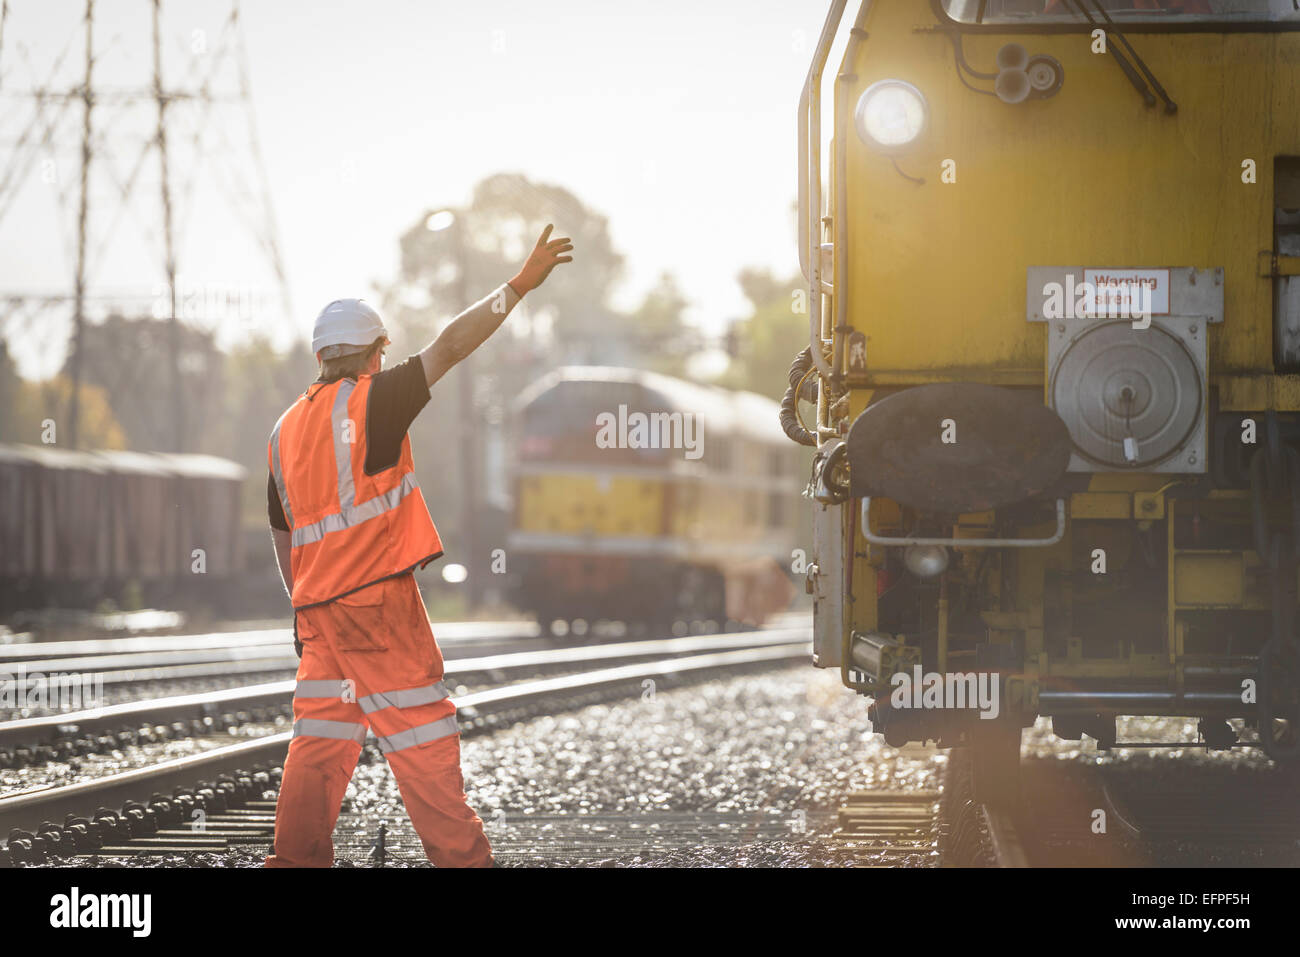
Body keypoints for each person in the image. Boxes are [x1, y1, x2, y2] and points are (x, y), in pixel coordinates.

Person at [263, 225, 573, 868]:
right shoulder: (378, 399)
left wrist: (299, 605)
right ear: (374, 352)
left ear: (321, 356)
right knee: (423, 738)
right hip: (378, 605)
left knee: (317, 743)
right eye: (382, 351)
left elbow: (282, 532)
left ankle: (294, 864)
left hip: (318, 613)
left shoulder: (283, 430)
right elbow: (452, 344)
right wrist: (517, 286)